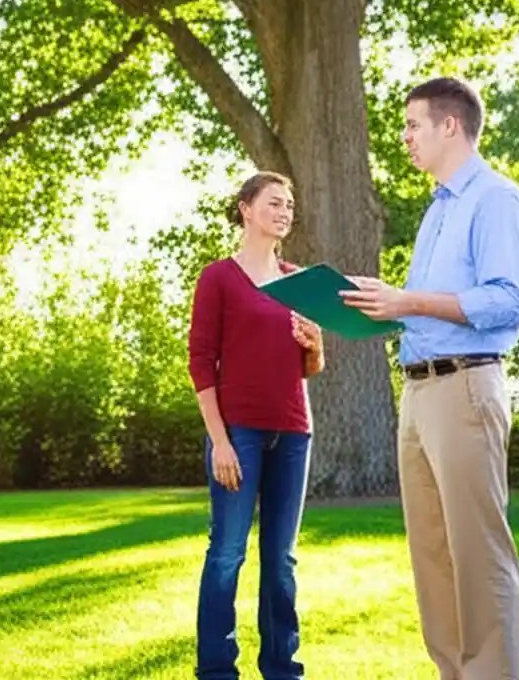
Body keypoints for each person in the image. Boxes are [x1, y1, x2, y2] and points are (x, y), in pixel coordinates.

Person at [340, 77, 519, 680]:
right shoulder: (438, 210)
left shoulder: (495, 199)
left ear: (450, 126)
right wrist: (377, 309)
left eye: (412, 126)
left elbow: (507, 302)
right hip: (419, 393)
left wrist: (410, 303)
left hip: (465, 391)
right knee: (432, 556)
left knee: (478, 555)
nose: (404, 138)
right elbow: (422, 307)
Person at [187, 171, 324, 680]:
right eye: (274, 202)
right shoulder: (219, 277)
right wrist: (219, 440)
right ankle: (217, 669)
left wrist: (315, 346)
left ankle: (281, 667)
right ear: (246, 208)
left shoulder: (300, 280)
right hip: (238, 432)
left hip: (293, 432)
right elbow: (201, 361)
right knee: (227, 553)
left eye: (289, 204)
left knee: (281, 560)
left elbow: (308, 367)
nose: (285, 211)